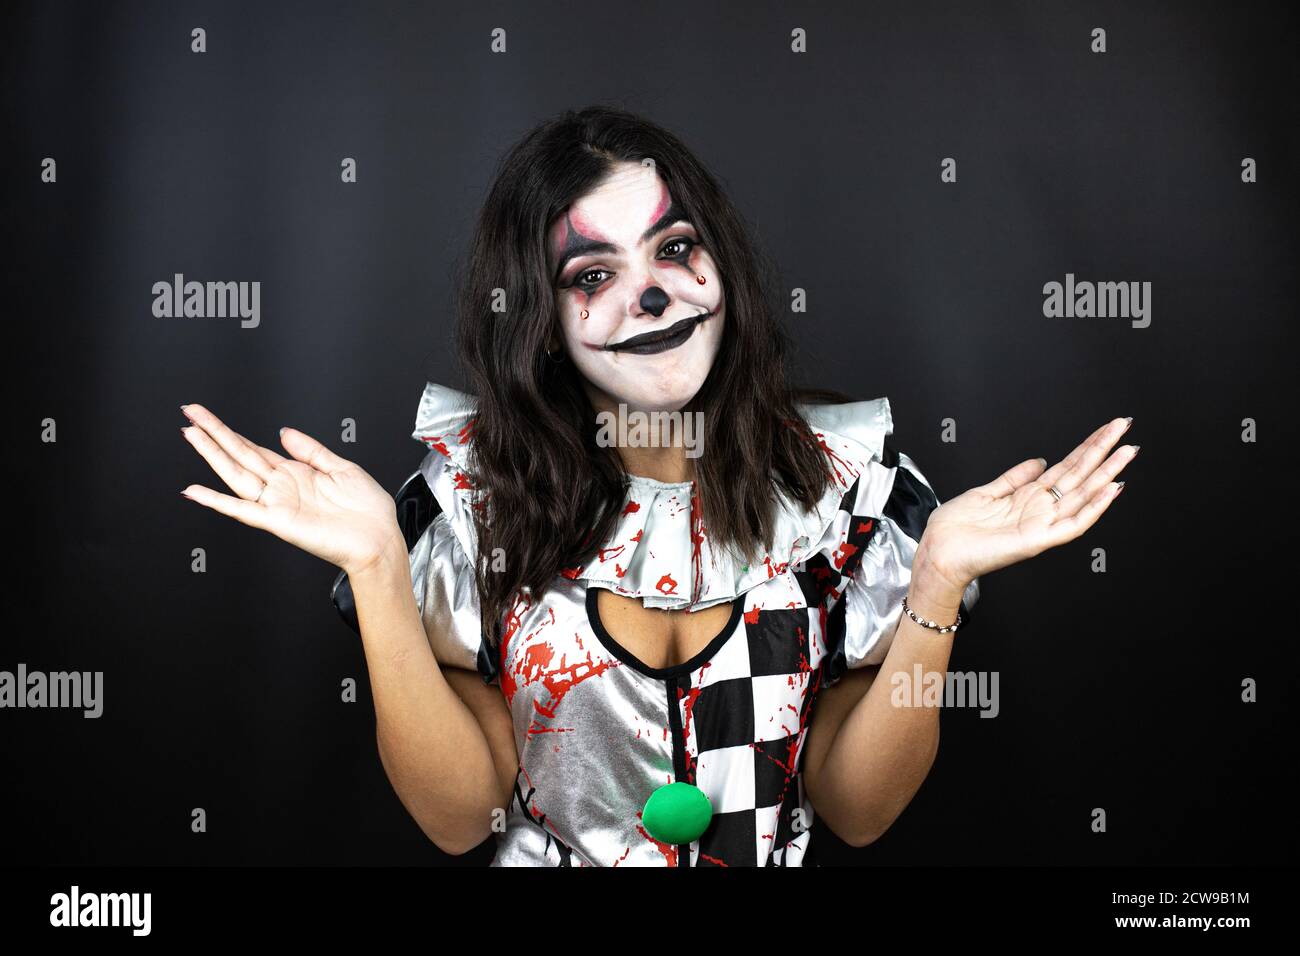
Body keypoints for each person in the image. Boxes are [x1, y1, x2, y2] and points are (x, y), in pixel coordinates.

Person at [178, 105, 1137, 866]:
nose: (652, 294)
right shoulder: (476, 505)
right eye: (594, 272)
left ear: (721, 267)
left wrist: (935, 587)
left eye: (675, 249)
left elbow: (858, 814)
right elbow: (463, 819)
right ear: (544, 322)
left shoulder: (854, 496)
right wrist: (382, 569)